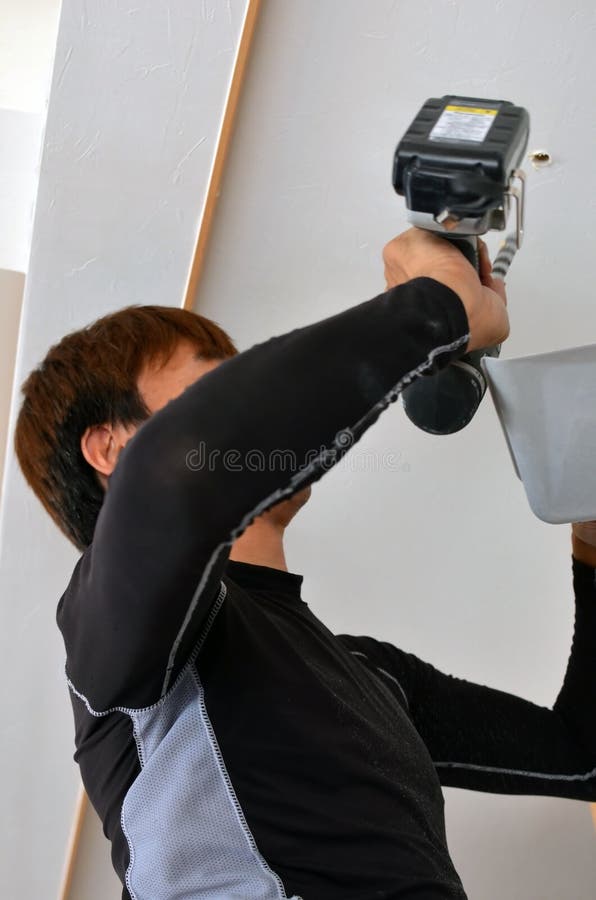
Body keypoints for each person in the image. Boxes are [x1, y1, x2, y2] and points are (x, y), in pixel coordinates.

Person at [15, 228, 596, 900]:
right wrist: (437, 306)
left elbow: (579, 755)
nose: (240, 396)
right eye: (214, 377)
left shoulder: (373, 676)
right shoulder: (104, 629)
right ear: (110, 449)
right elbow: (177, 467)